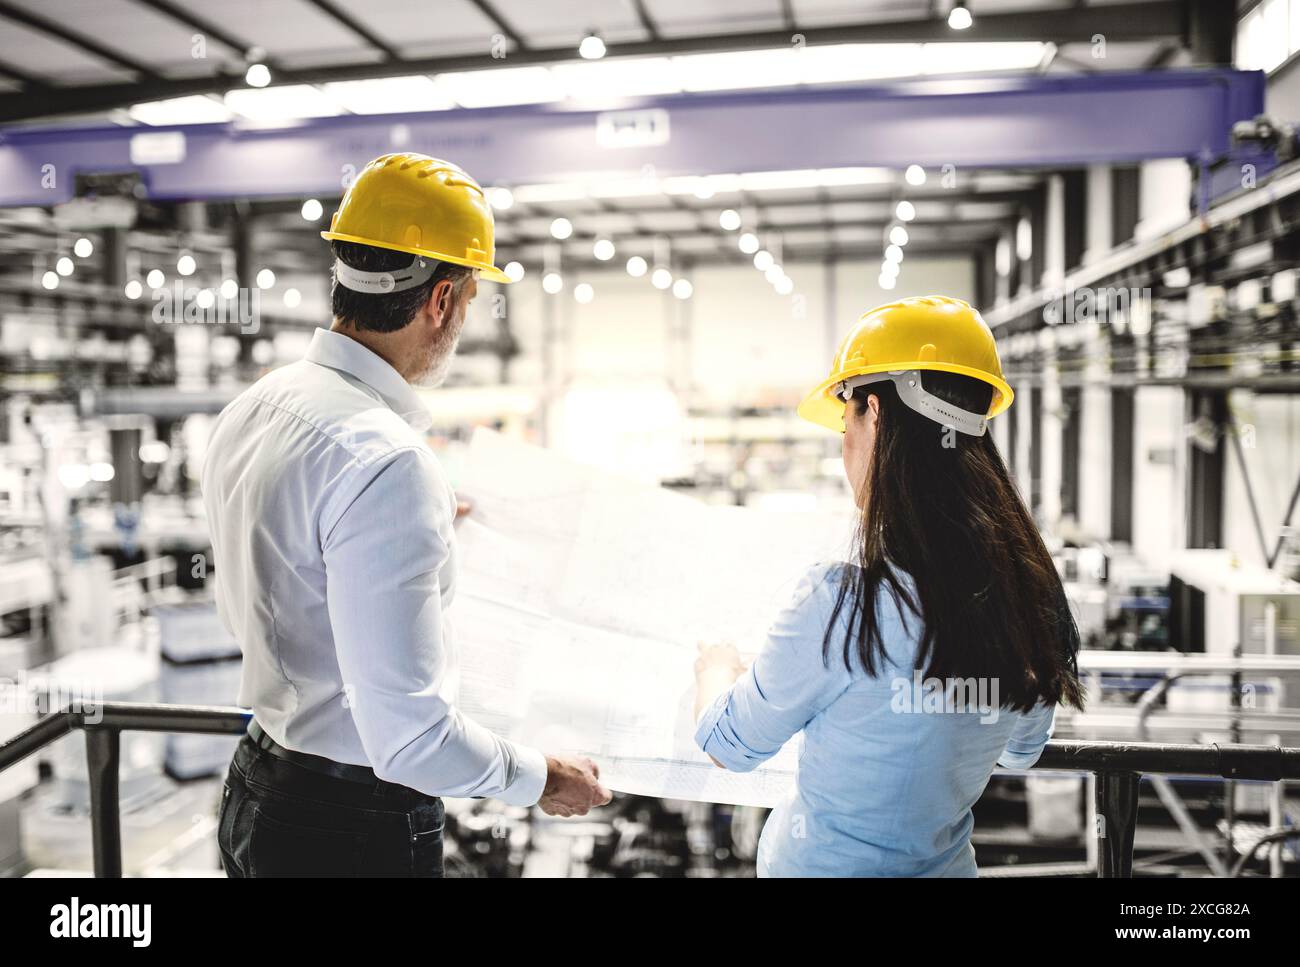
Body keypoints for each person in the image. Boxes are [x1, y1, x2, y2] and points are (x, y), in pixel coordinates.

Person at [202, 153, 609, 877]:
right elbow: (409, 738)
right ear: (441, 300)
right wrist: (542, 777)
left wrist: (408, 530)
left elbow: (294, 565)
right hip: (346, 830)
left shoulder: (255, 407)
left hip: (258, 786)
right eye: (473, 299)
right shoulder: (387, 461)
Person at [693, 295, 1084, 877]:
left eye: (845, 420)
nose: (844, 443)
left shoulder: (840, 602)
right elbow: (1021, 749)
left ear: (874, 413)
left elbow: (727, 744)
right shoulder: (1032, 597)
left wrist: (717, 669)